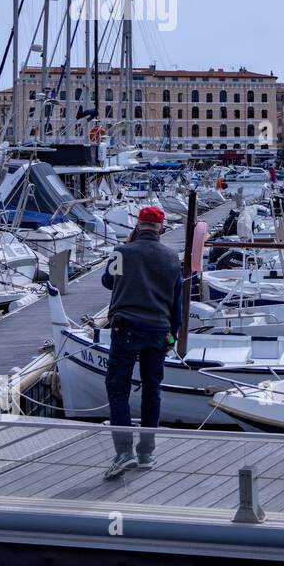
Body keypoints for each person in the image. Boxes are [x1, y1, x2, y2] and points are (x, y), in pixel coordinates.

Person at [100, 205, 183, 480]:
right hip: (159, 330)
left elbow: (107, 281)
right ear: (161, 228)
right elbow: (176, 305)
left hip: (127, 327)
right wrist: (173, 333)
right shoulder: (172, 259)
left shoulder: (123, 252)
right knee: (152, 389)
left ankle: (124, 452)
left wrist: (126, 249)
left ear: (138, 225)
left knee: (118, 388)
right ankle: (146, 452)